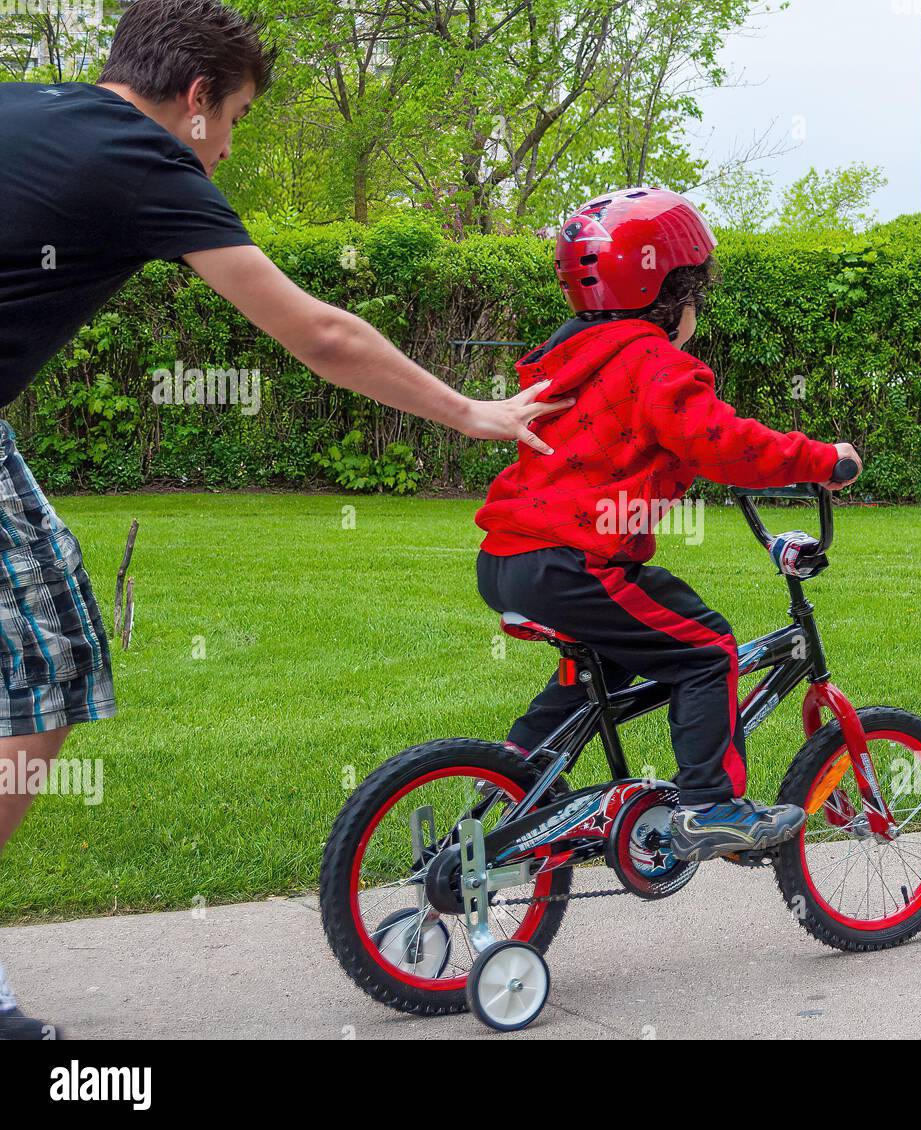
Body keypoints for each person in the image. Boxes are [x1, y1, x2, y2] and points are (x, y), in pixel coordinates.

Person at [0, 0, 570, 1040]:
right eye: (239, 121)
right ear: (199, 99)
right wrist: (470, 411)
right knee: (47, 672)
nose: (225, 150)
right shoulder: (144, 153)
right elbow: (319, 332)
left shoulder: (27, 109)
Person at [475, 186, 862, 864]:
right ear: (671, 293)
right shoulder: (653, 362)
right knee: (705, 648)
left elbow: (638, 447)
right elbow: (724, 443)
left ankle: (514, 773)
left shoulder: (573, 359)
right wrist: (823, 460)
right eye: (695, 294)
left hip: (511, 561)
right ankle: (710, 806)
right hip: (577, 563)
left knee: (611, 659)